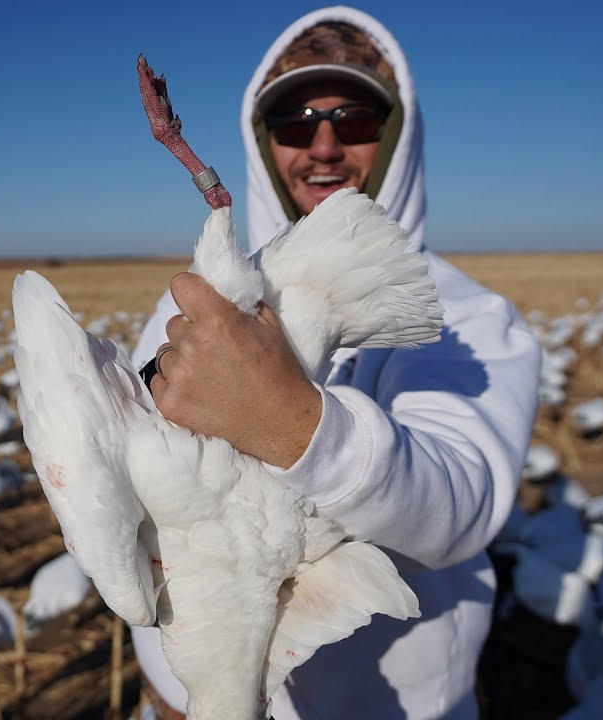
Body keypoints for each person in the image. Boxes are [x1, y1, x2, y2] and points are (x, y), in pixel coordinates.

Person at [129, 6, 541, 719]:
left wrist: (292, 423)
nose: (322, 147)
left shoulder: (462, 319)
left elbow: (461, 507)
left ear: (396, 138)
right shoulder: (200, 301)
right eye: (294, 122)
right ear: (264, 145)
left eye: (353, 120)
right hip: (187, 693)